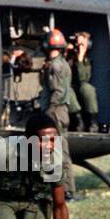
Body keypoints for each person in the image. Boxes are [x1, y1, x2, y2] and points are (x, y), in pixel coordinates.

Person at [39, 29, 76, 195]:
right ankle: (65, 188)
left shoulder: (55, 65)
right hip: (60, 111)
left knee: (59, 150)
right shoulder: (62, 63)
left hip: (55, 112)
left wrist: (49, 112)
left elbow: (58, 91)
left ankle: (67, 189)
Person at [71, 31, 100, 132]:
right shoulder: (69, 56)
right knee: (68, 90)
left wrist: (80, 58)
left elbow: (83, 78)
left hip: (80, 85)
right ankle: (79, 120)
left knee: (88, 89)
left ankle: (93, 121)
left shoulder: (86, 60)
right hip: (70, 85)